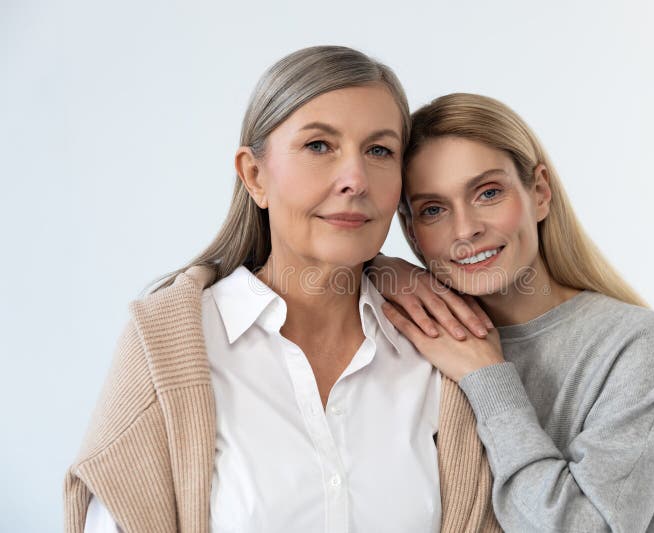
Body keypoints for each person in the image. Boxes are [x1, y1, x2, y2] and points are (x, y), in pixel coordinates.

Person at [64, 49, 500, 533]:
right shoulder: (170, 351)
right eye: (319, 146)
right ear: (255, 176)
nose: (355, 180)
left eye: (379, 151)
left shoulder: (443, 354)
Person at [372, 93, 654, 532]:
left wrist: (487, 376)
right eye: (433, 210)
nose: (465, 229)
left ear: (540, 192)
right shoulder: (409, 333)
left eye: (488, 193)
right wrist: (370, 265)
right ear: (413, 234)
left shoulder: (636, 344)